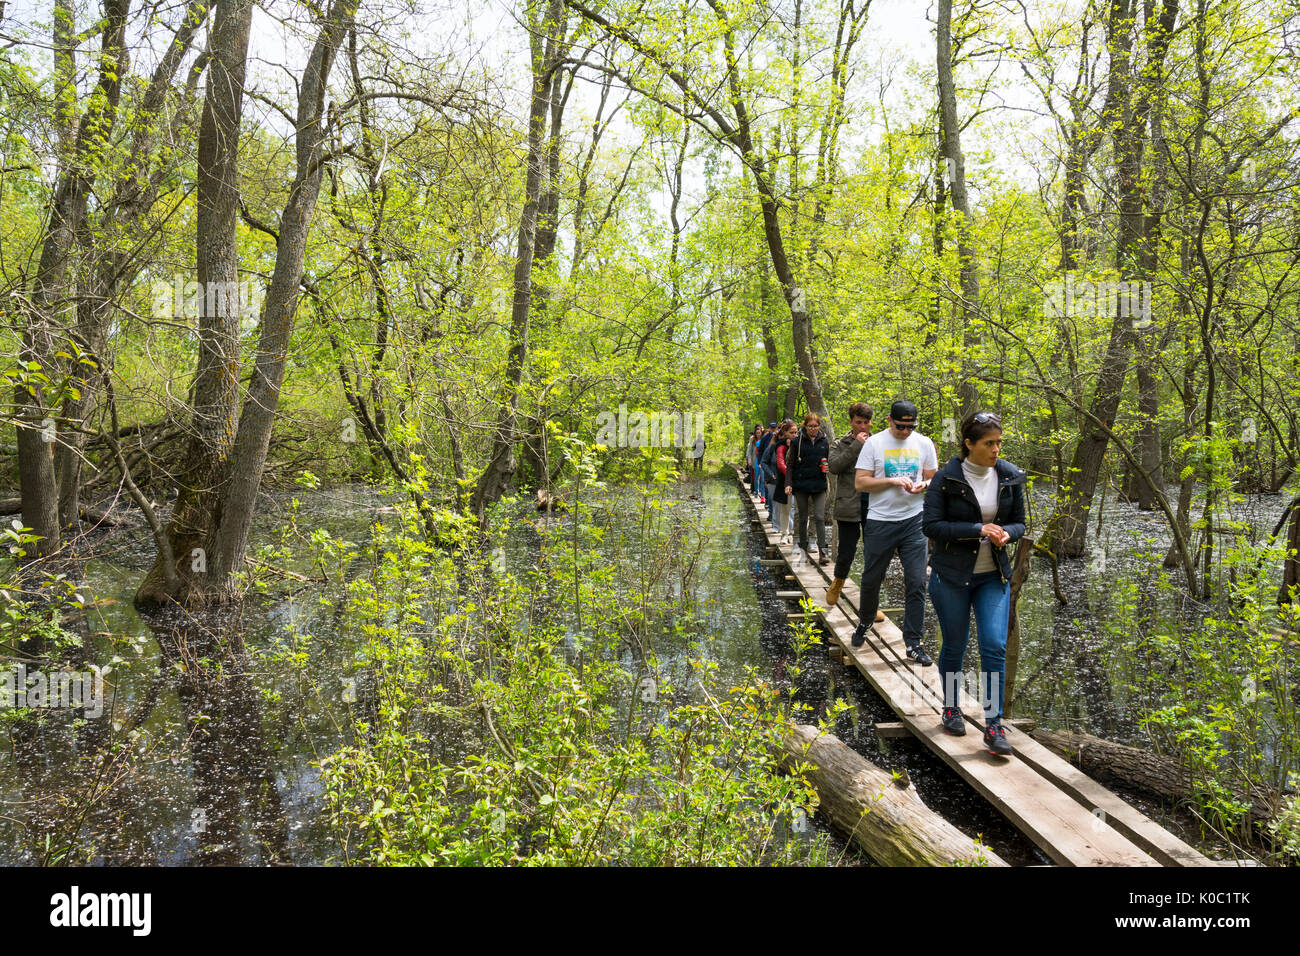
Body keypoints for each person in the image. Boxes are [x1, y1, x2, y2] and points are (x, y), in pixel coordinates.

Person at [922, 411, 1026, 757]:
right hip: (950, 575)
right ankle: (951, 707)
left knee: (994, 645)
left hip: (992, 576)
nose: (996, 449)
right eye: (989, 443)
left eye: (999, 443)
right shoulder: (946, 479)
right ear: (969, 444)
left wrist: (1006, 534)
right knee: (954, 644)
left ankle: (993, 724)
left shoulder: (1010, 476)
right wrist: (977, 529)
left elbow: (1020, 524)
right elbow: (932, 526)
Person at [852, 400, 938, 664]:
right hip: (880, 521)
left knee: (917, 581)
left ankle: (913, 642)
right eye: (900, 426)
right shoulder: (874, 443)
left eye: (910, 427)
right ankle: (866, 621)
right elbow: (860, 482)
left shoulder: (924, 444)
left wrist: (923, 484)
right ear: (890, 420)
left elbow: (934, 478)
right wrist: (891, 480)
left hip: (914, 520)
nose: (905, 432)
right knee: (871, 578)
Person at [825, 403, 883, 617]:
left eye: (866, 422)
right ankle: (838, 582)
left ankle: (871, 604)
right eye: (858, 422)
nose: (863, 427)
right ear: (851, 421)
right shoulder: (840, 443)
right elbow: (835, 467)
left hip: (875, 507)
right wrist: (856, 445)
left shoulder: (880, 443)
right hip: (849, 506)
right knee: (847, 552)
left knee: (874, 555)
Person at [785, 413, 832, 564]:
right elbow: (790, 465)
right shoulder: (797, 442)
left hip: (819, 484)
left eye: (815, 426)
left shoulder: (825, 441)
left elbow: (829, 460)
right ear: (804, 426)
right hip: (801, 485)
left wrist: (827, 468)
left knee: (819, 517)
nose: (813, 429)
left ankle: (823, 552)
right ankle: (803, 551)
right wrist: (788, 484)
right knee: (803, 517)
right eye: (810, 426)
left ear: (819, 426)